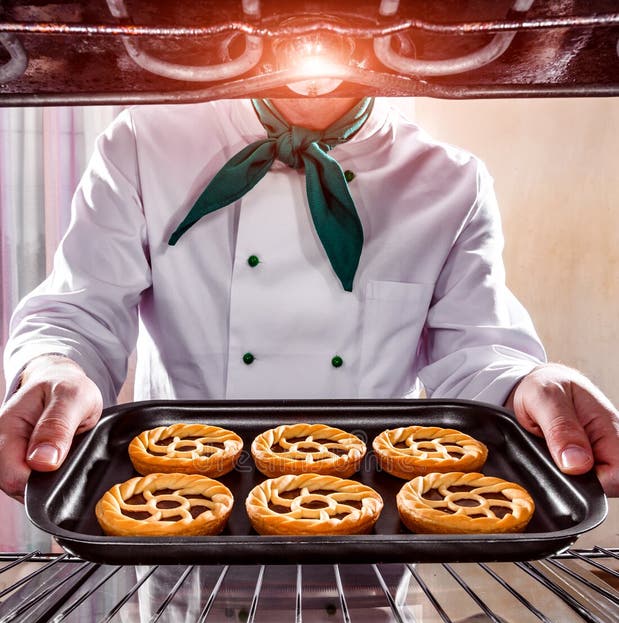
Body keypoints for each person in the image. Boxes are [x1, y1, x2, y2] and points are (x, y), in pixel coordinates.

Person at [1, 94, 618, 503]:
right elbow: (80, 311)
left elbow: (478, 351)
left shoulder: (451, 179)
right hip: (180, 525)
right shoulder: (143, 141)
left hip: (370, 533)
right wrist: (55, 368)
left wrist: (537, 379)